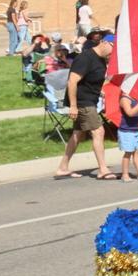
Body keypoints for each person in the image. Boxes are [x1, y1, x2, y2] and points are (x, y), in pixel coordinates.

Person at [53, 32, 117, 180]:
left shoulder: (100, 60)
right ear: (105, 43)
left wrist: (101, 92)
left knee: (78, 134)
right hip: (82, 101)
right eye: (114, 48)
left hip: (90, 99)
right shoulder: (85, 58)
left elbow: (91, 81)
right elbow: (72, 81)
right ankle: (103, 169)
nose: (114, 54)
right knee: (98, 131)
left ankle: (63, 167)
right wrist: (74, 106)